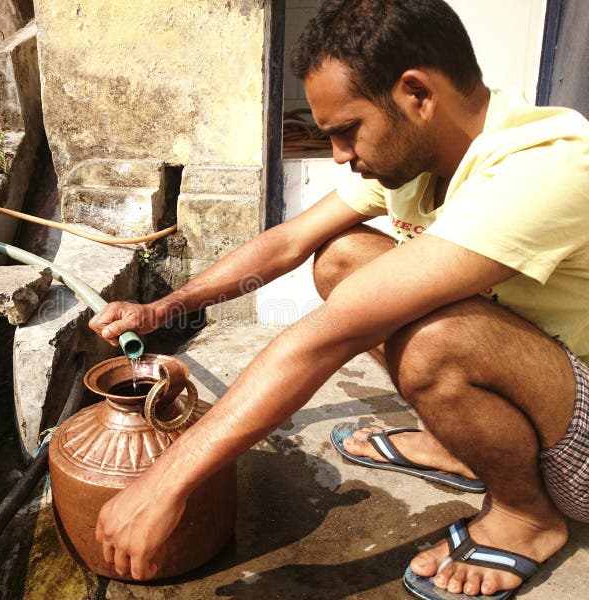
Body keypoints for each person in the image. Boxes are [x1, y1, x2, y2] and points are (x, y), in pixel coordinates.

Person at [88, 1, 589, 597]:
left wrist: (165, 481)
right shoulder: (423, 157)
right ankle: (469, 443)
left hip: (580, 438)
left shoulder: (545, 166)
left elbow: (336, 332)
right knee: (343, 259)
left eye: (346, 130)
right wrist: (165, 309)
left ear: (416, 94)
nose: (339, 155)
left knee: (434, 343)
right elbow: (290, 243)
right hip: (530, 378)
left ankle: (526, 516)